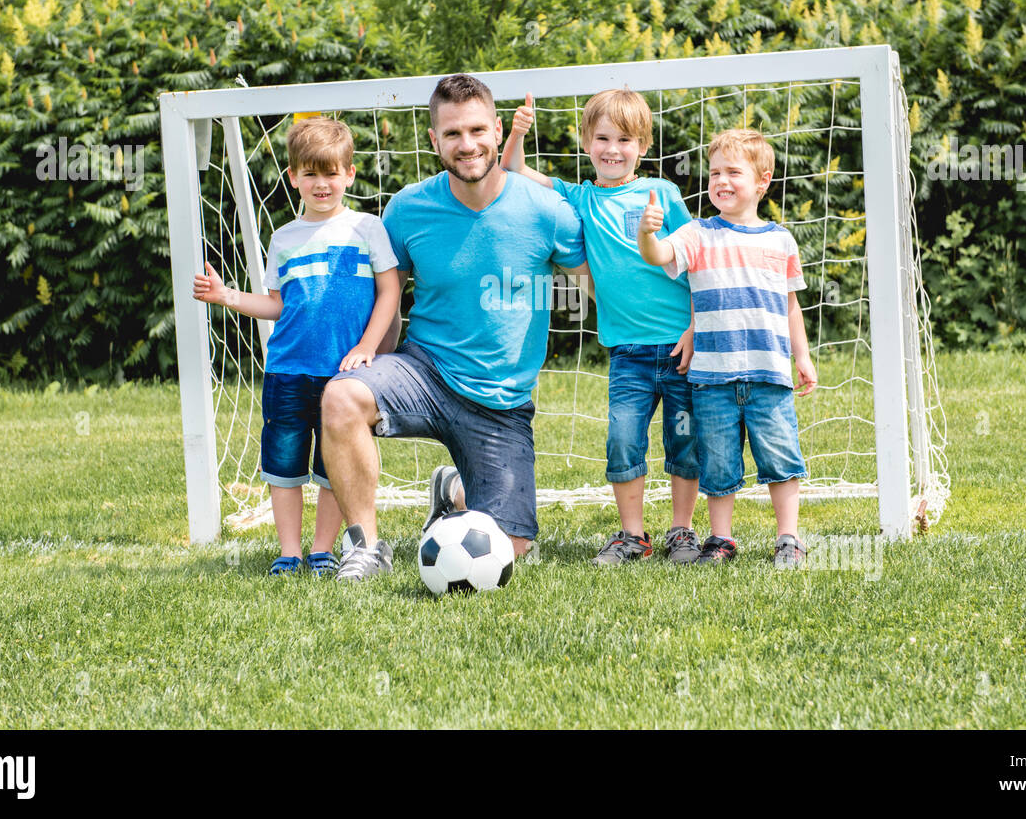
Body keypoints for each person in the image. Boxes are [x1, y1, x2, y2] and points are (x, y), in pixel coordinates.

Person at [320, 74, 591, 581]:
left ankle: (454, 492)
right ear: (434, 140)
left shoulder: (546, 211)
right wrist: (368, 366)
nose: (466, 145)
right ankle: (366, 547)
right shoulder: (407, 208)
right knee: (341, 398)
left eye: (476, 131)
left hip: (500, 401)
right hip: (424, 371)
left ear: (497, 130)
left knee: (511, 546)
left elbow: (596, 287)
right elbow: (388, 293)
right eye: (452, 134)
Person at [500, 89, 703, 565]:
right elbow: (515, 171)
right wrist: (517, 132)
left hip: (680, 346)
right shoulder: (580, 198)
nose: (613, 149)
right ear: (586, 142)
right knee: (622, 439)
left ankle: (682, 532)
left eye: (625, 139)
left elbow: (696, 261)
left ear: (643, 146)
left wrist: (696, 328)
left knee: (685, 437)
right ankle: (633, 537)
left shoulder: (663, 194)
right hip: (627, 352)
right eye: (603, 138)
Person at [193, 117, 401, 576]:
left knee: (333, 469)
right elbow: (276, 306)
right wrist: (226, 295)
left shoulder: (367, 228)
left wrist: (368, 346)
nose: (321, 183)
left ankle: (322, 550)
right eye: (310, 173)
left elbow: (389, 291)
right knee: (284, 466)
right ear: (293, 178)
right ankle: (289, 553)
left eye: (331, 173)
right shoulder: (283, 238)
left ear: (349, 174)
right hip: (287, 370)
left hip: (344, 376)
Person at [637, 128, 818, 568]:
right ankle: (721, 540)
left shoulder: (781, 241)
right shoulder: (698, 234)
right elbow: (658, 255)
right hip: (712, 378)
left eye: (733, 171)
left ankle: (788, 538)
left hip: (768, 375)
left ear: (763, 180)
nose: (721, 179)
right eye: (715, 171)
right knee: (717, 465)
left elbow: (791, 305)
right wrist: (647, 233)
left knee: (780, 457)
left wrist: (804, 356)